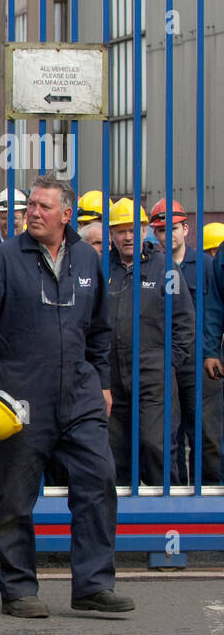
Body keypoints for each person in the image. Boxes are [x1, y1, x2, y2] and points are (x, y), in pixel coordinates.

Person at [0, 175, 132, 617]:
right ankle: (18, 589)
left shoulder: (88, 260)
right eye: (30, 206)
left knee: (97, 483)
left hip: (80, 395)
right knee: (15, 498)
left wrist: (104, 384)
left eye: (43, 207)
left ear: (66, 214)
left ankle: (93, 585)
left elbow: (100, 331)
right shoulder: (2, 260)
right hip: (20, 396)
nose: (33, 213)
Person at [106, 199, 193, 487]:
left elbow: (183, 320)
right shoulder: (99, 269)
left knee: (156, 447)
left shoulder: (165, 268)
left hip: (154, 373)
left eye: (133, 229)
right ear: (111, 235)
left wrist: (167, 364)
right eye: (120, 230)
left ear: (144, 230)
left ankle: (168, 516)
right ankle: (116, 521)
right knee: (114, 454)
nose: (127, 236)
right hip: (110, 376)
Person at [151, 200, 221, 485]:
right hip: (162, 357)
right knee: (170, 433)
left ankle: (209, 491)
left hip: (196, 358)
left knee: (205, 431)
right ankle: (175, 491)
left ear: (185, 229)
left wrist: (210, 350)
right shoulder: (153, 265)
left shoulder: (205, 264)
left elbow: (215, 308)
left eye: (174, 229)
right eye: (161, 231)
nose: (168, 236)